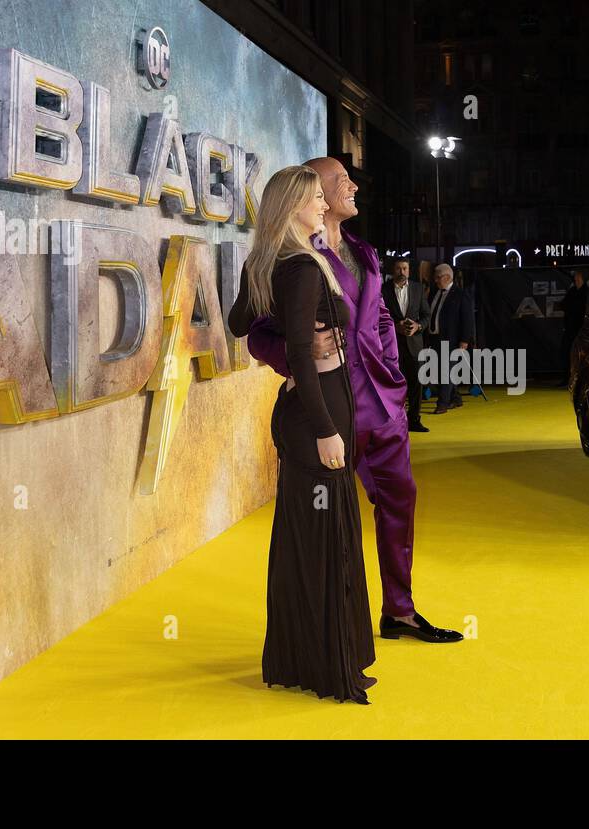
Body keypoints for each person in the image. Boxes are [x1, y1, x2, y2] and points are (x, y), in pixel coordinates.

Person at [232, 157, 462, 644]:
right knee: (328, 519)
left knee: (401, 500)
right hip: (330, 408)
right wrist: (297, 359)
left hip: (382, 407)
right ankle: (329, 629)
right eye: (339, 182)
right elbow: (252, 331)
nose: (351, 187)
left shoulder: (366, 251)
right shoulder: (286, 255)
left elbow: (378, 318)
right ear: (311, 192)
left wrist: (393, 376)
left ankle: (399, 611)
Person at [234, 165, 374, 703]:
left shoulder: (279, 261)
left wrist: (258, 265)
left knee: (313, 536)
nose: (323, 205)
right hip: (316, 417)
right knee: (323, 538)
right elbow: (294, 349)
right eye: (316, 197)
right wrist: (324, 429)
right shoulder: (301, 267)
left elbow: (240, 320)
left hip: (317, 408)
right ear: (291, 204)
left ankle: (308, 658)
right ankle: (322, 665)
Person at [382, 258, 431, 432]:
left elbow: (427, 315)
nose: (402, 272)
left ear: (409, 271)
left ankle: (414, 420)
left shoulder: (418, 289)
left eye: (405, 268)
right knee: (394, 386)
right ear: (393, 270)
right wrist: (394, 327)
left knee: (417, 384)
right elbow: (376, 316)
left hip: (415, 345)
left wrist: (418, 326)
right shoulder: (383, 290)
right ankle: (396, 422)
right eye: (398, 268)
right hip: (391, 346)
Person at [427, 263, 475, 415]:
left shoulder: (461, 294)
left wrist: (464, 340)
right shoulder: (435, 292)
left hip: (453, 340)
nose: (435, 280)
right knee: (442, 371)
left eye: (438, 277)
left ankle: (442, 403)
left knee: (446, 372)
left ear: (447, 277)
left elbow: (468, 319)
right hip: (435, 339)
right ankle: (456, 398)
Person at [559, 271, 588, 386]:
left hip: (581, 331)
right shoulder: (572, 291)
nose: (575, 278)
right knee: (566, 353)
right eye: (574, 276)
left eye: (576, 276)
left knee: (581, 357)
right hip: (570, 330)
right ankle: (566, 379)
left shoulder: (587, 292)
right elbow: (563, 305)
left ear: (581, 277)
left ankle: (581, 382)